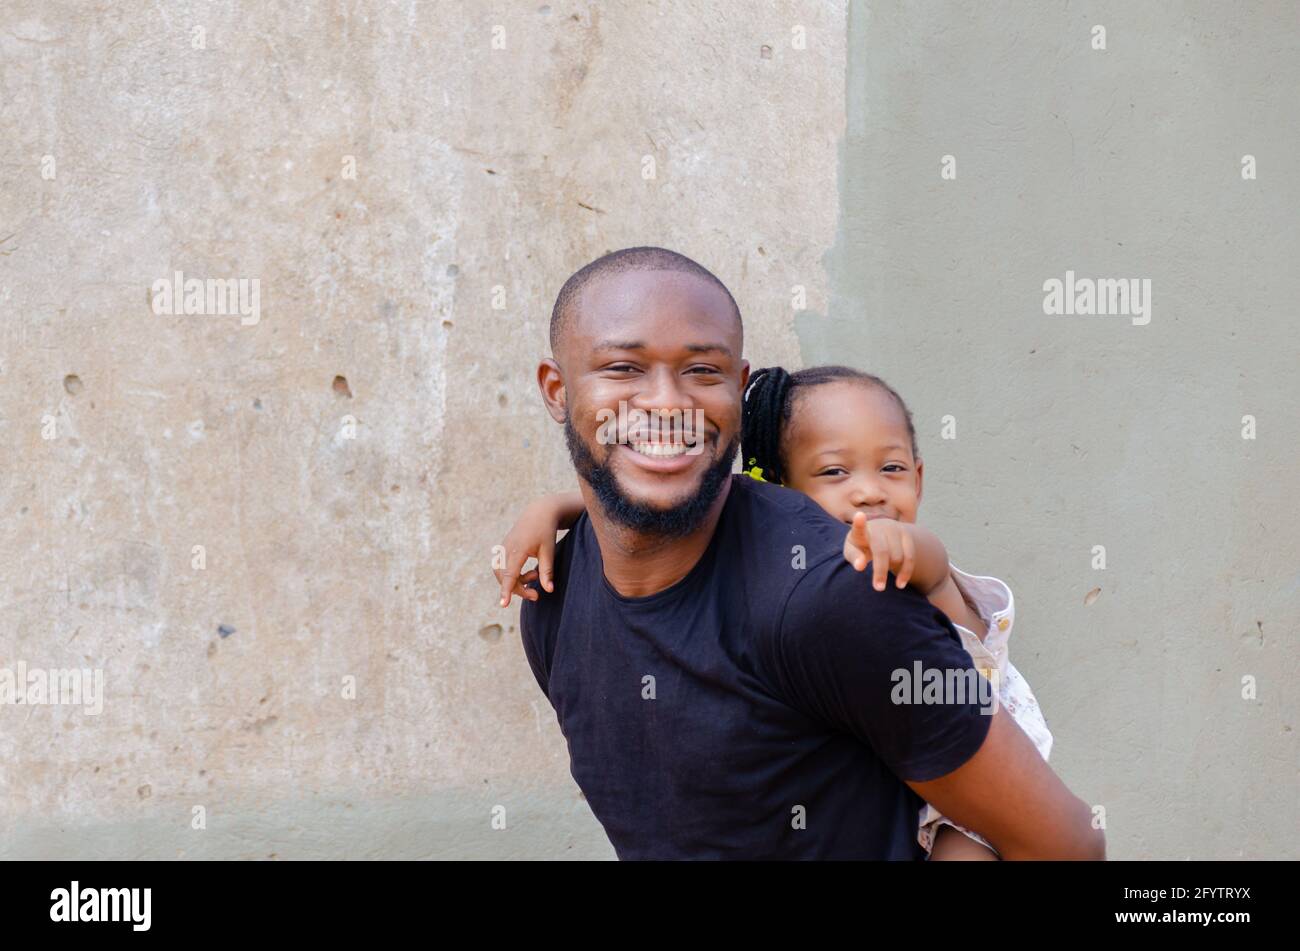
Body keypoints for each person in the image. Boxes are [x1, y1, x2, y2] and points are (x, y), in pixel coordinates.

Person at [498, 245, 1104, 860]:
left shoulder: (832, 598)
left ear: (737, 388)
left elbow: (1067, 847)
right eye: (624, 368)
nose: (666, 403)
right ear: (556, 389)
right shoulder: (553, 599)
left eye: (702, 372)